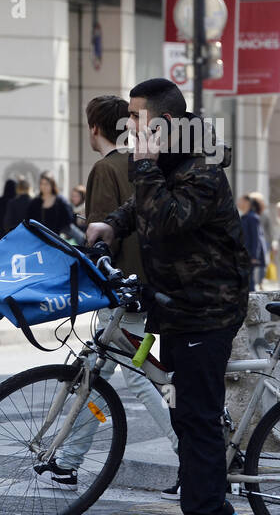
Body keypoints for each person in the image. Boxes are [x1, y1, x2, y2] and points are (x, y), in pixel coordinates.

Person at [86, 78, 249, 515]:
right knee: (187, 411)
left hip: (208, 308)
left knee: (195, 419)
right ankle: (214, 503)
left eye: (135, 117)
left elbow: (166, 219)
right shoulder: (175, 161)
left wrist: (142, 163)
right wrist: (111, 224)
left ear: (165, 123)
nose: (127, 125)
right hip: (179, 304)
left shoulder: (203, 169)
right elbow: (142, 209)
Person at [36, 96, 178, 492]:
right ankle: (67, 462)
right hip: (151, 285)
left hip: (120, 291)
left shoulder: (105, 168)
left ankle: (192, 456)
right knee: (95, 371)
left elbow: (100, 236)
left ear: (94, 128)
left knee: (136, 377)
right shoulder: (143, 164)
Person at [236, 194, 266, 291]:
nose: (238, 203)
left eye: (240, 200)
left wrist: (254, 256)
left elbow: (256, 238)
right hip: (244, 253)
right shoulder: (244, 217)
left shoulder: (252, 217)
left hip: (249, 254)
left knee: (250, 281)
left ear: (247, 202)